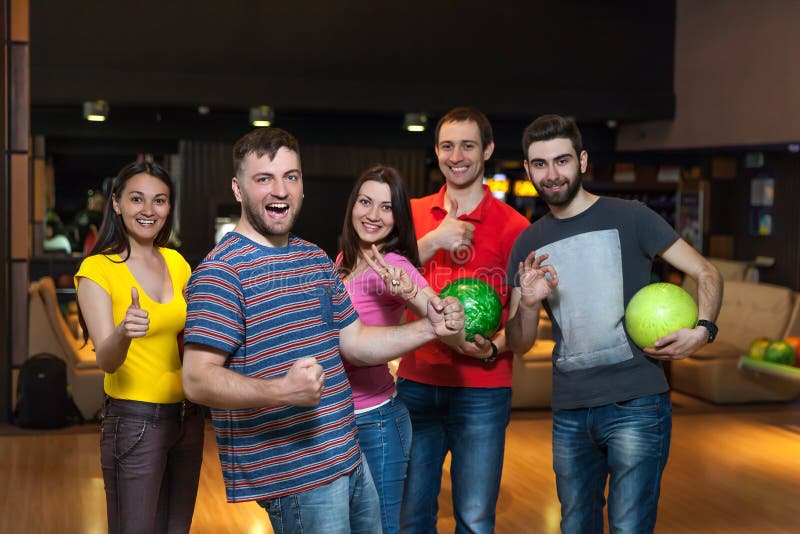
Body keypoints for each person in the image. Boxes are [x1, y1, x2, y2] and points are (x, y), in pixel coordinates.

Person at [180, 128, 467, 534]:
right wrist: (282, 391)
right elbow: (195, 378)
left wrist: (430, 327)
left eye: (291, 176)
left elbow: (355, 341)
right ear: (238, 189)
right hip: (296, 474)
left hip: (348, 456)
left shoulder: (314, 258)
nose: (280, 190)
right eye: (264, 179)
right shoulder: (221, 272)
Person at [505, 114, 723, 533]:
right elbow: (520, 343)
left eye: (562, 160)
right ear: (529, 169)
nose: (552, 174)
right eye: (540, 164)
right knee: (575, 526)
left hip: (637, 404)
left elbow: (707, 273)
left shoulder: (633, 217)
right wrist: (528, 304)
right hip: (569, 410)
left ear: (583, 161)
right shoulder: (527, 243)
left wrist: (703, 330)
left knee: (629, 527)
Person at [396, 106, 531, 533]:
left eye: (468, 145)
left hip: (483, 391)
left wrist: (494, 347)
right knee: (411, 517)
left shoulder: (516, 227)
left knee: (474, 519)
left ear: (487, 149)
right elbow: (379, 279)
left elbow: (521, 325)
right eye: (447, 145)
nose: (457, 156)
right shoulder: (412, 215)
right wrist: (433, 240)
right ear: (436, 151)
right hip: (416, 384)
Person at [75, 161, 204, 534]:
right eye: (137, 199)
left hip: (188, 418)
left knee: (177, 529)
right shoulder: (97, 270)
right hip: (135, 422)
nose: (149, 210)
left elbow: (194, 337)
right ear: (116, 203)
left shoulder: (178, 263)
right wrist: (123, 333)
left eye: (159, 200)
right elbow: (107, 360)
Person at [336, 164, 447, 534]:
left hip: (377, 422)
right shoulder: (343, 262)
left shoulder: (395, 265)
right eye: (365, 202)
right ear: (352, 205)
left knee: (380, 527)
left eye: (386, 207)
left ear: (398, 218)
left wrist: (410, 292)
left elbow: (440, 314)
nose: (372, 215)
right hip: (340, 419)